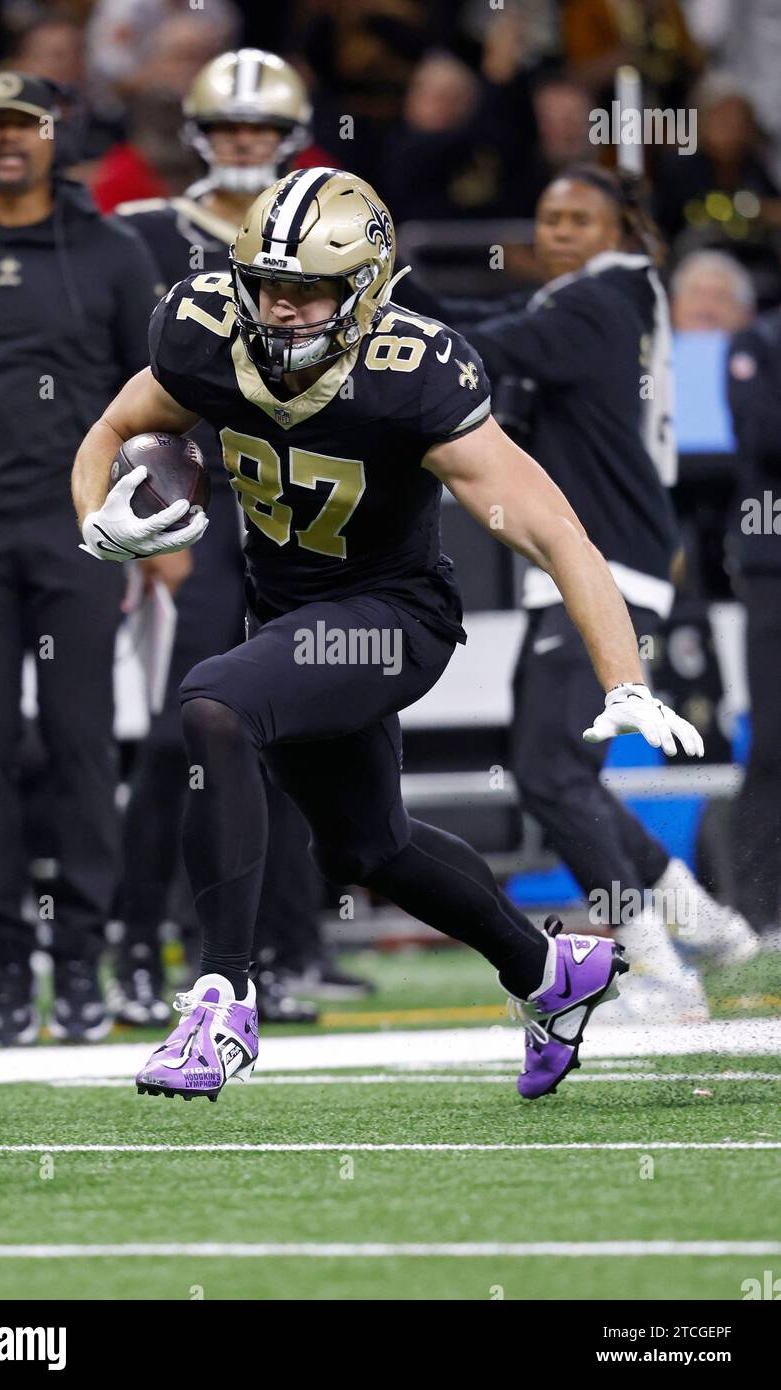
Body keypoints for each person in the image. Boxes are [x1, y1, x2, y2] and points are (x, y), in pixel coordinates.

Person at [72, 165, 705, 1103]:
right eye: (267, 286)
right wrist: (96, 520)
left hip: (390, 620)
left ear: (363, 291)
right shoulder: (203, 329)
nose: (281, 310)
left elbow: (552, 529)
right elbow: (116, 424)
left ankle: (221, 1000)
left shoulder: (412, 375)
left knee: (211, 705)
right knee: (368, 849)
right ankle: (547, 973)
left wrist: (625, 680)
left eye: (308, 291)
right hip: (285, 613)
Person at [462, 165, 759, 1021]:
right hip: (598, 561)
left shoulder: (597, 300)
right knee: (560, 770)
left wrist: (382, 317)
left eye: (578, 218)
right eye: (549, 215)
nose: (557, 230)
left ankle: (660, 975)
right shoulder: (624, 300)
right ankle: (699, 919)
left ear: (621, 230)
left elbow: (493, 340)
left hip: (602, 566)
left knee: (551, 771)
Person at [112, 50, 367, 1026]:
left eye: (260, 132)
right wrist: (152, 510)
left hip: (299, 498)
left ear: (287, 135)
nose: (245, 146)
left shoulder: (330, 232)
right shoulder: (145, 233)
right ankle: (140, 942)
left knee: (293, 724)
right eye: (229, 132)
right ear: (199, 138)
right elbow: (122, 378)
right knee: (189, 725)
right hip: (204, 497)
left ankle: (275, 950)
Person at [0, 71, 162, 1046]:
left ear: (55, 135)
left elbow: (155, 394)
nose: (7, 142)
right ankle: (8, 967)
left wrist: (156, 522)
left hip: (80, 527)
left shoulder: (112, 252)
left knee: (81, 743)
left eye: (24, 125)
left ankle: (82, 963)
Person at [726, 304, 781, 940]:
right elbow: (764, 433)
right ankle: (756, 908)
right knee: (774, 741)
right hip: (773, 570)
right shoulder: (757, 339)